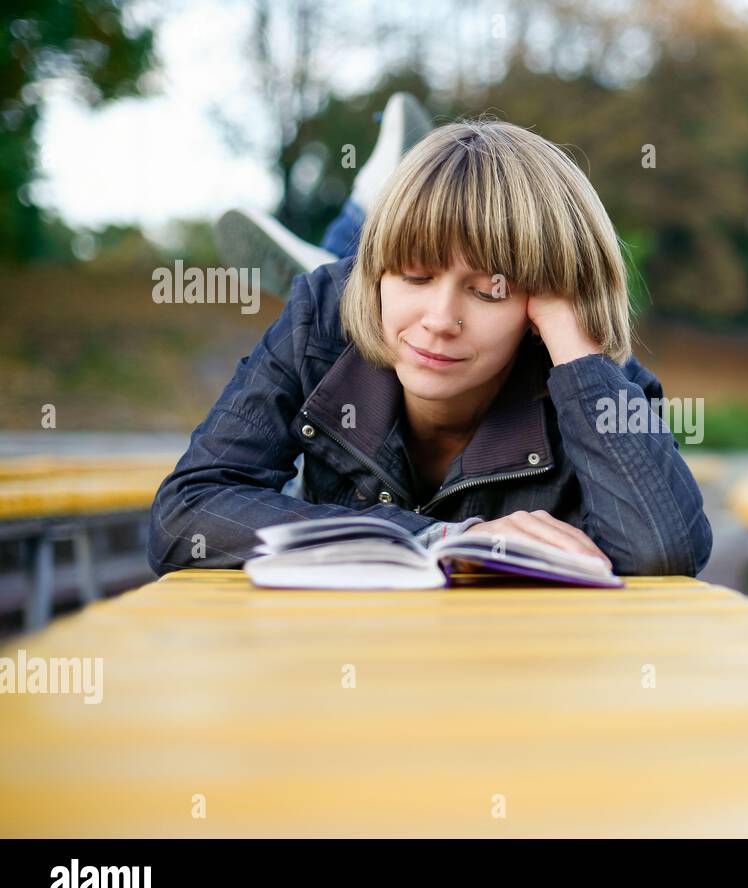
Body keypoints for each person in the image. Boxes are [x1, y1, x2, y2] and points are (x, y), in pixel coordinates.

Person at [147, 99, 712, 578]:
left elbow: (664, 550)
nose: (441, 319)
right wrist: (443, 539)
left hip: (501, 686)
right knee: (337, 275)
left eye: (490, 290)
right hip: (343, 665)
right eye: (415, 275)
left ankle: (368, 209)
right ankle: (365, 218)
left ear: (544, 303)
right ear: (376, 274)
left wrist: (574, 338)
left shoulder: (593, 374)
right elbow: (184, 516)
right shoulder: (321, 314)